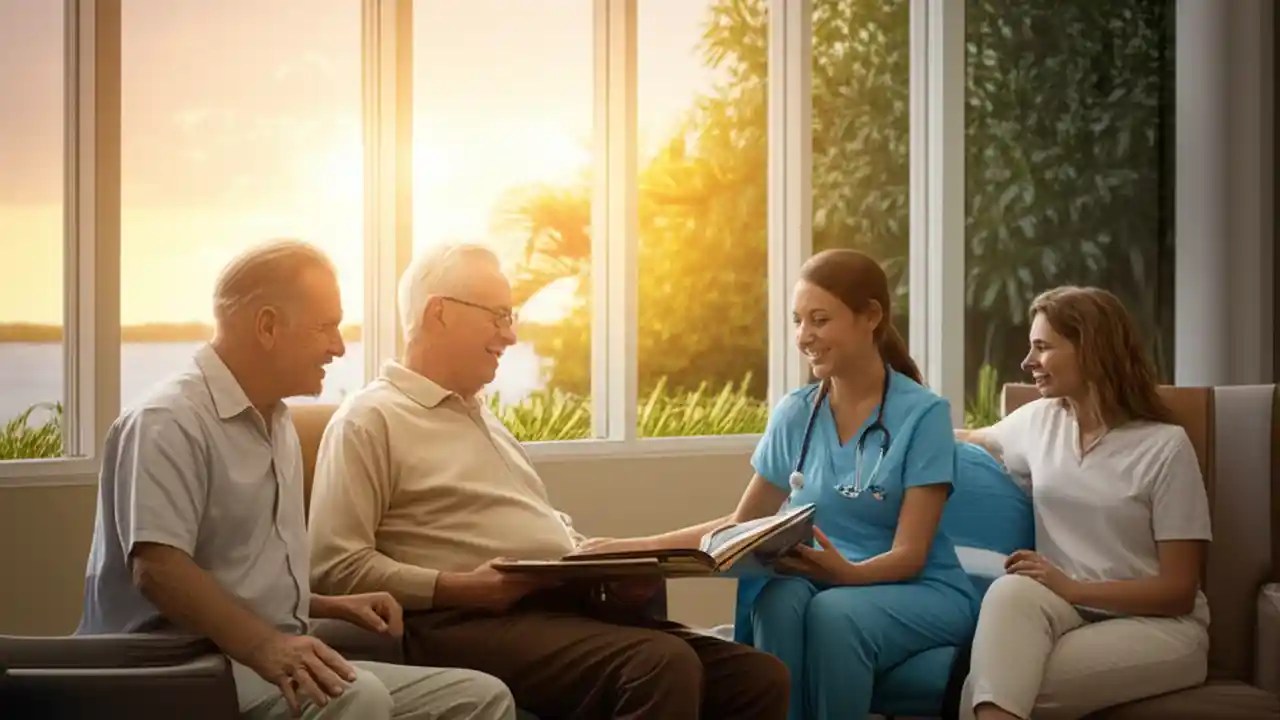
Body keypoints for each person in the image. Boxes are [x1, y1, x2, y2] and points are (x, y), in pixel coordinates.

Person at [307, 242, 790, 720]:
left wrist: (610, 573)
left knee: (757, 676)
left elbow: (536, 532)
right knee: (659, 665)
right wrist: (456, 587)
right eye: (498, 316)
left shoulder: (483, 419)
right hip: (460, 621)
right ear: (440, 313)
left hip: (556, 606)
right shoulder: (370, 418)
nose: (510, 335)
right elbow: (334, 564)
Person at [77, 240, 516, 720]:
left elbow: (237, 577)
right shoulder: (168, 420)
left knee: (481, 697)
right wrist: (267, 647)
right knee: (356, 696)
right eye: (325, 327)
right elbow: (158, 570)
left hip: (249, 660)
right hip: (171, 668)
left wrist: (331, 605)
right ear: (268, 326)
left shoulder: (276, 423)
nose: (338, 346)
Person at [582, 249, 979, 720]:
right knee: (776, 598)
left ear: (870, 316)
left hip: (916, 586)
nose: (804, 336)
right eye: (797, 321)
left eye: (819, 319)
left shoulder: (924, 415)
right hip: (821, 581)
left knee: (835, 616)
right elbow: (741, 526)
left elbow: (910, 555)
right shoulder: (797, 412)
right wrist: (635, 550)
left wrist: (846, 576)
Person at [954, 286, 1212, 720]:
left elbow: (1179, 591)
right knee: (1011, 592)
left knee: (996, 688)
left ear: (1090, 350)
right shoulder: (1041, 420)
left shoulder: (1165, 447)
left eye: (1042, 347)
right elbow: (967, 441)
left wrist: (1071, 587)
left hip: (1157, 626)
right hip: (1062, 609)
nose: (1027, 362)